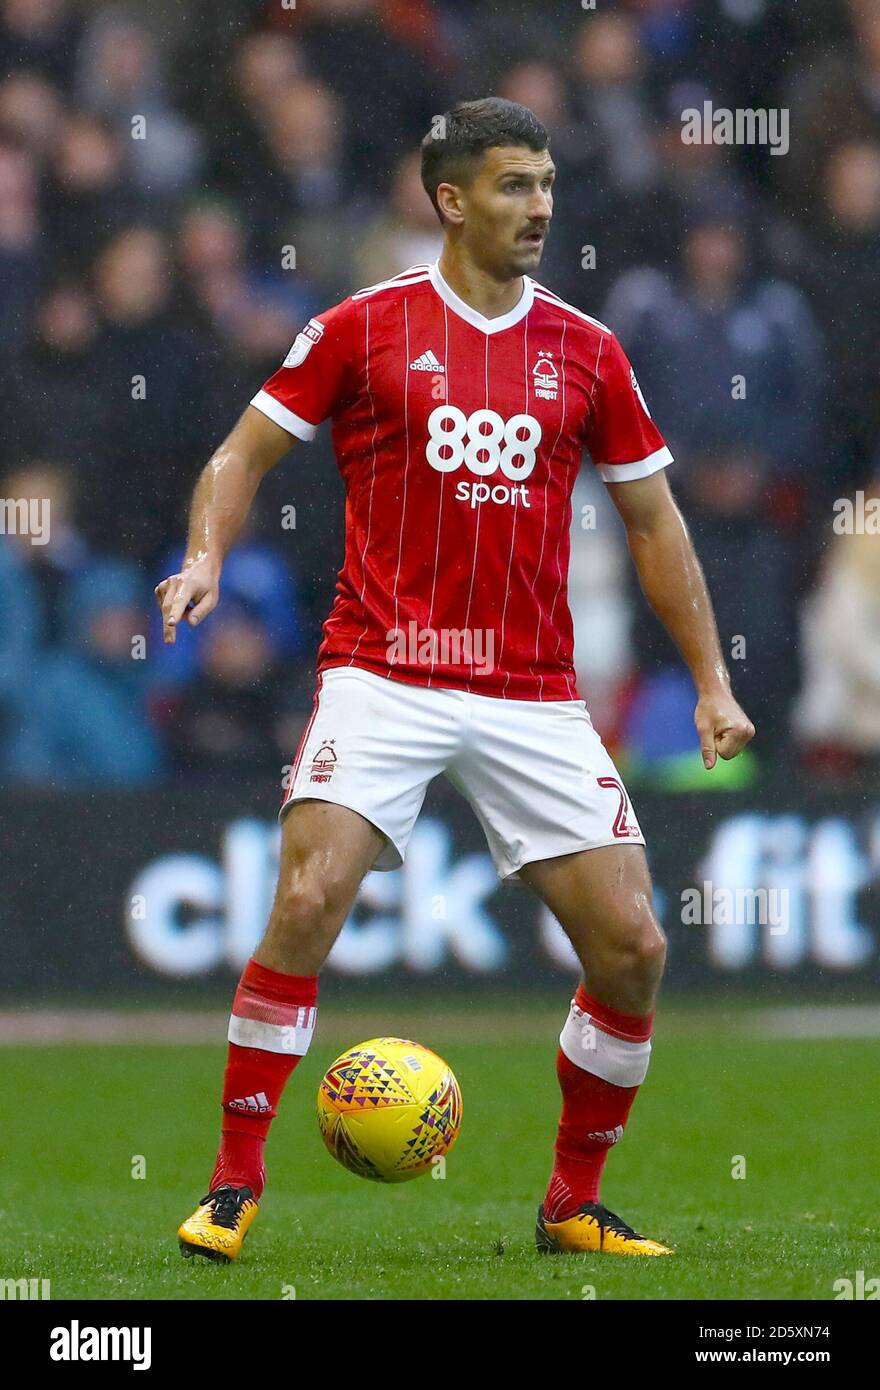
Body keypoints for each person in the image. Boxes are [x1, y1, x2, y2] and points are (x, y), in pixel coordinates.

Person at [155, 98, 754, 1263]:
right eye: (513, 186)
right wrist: (205, 552)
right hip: (383, 667)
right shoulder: (360, 328)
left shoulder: (588, 350)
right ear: (450, 200)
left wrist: (709, 680)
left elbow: (654, 524)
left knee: (633, 946)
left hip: (530, 688)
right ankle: (232, 1187)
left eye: (544, 184)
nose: (538, 207)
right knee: (306, 898)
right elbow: (242, 451)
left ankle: (571, 1200)